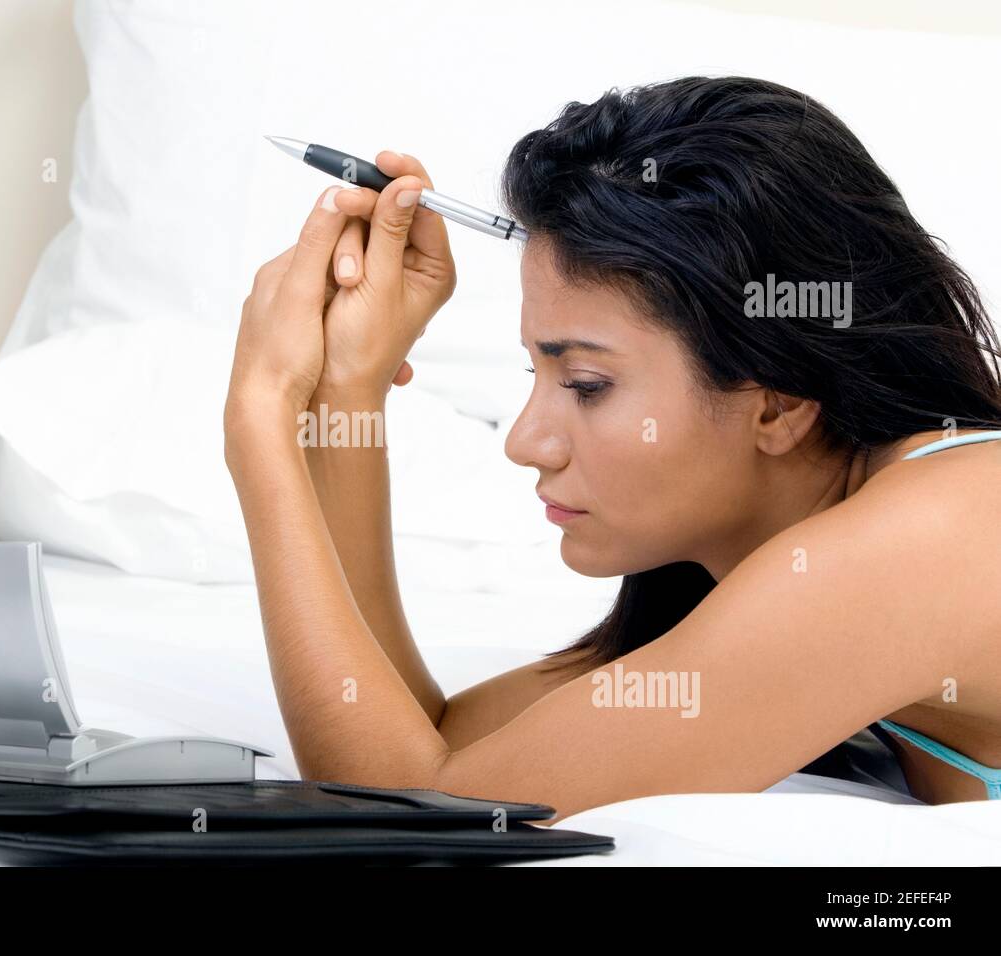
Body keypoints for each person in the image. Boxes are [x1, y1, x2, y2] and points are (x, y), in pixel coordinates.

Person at [223, 76, 1001, 820]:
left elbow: (417, 809)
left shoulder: (931, 537)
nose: (526, 443)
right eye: (538, 370)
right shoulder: (777, 561)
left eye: (588, 384)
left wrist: (263, 424)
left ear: (781, 399)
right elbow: (439, 748)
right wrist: (346, 392)